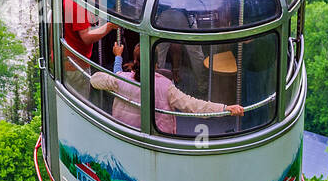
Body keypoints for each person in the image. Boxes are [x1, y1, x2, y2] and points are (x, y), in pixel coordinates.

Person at [93, 42, 244, 134]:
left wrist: (117, 57)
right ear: (157, 64)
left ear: (135, 61)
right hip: (156, 137)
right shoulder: (166, 87)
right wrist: (225, 108)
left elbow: (96, 80)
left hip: (126, 132)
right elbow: (193, 106)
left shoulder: (121, 80)